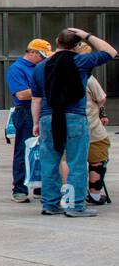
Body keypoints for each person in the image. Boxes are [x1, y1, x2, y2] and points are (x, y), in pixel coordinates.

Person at [31, 27, 119, 218]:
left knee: (50, 161)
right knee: (76, 161)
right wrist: (87, 36)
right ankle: (75, 205)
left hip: (48, 117)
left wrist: (36, 123)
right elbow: (111, 52)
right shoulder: (81, 61)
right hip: (75, 116)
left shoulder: (40, 67)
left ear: (57, 41)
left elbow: (36, 99)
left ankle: (50, 204)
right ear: (77, 44)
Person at [5, 39, 51, 202]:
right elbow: (21, 94)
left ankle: (40, 185)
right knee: (23, 149)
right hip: (25, 111)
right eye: (41, 56)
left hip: (43, 109)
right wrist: (46, 89)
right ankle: (19, 189)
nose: (44, 59)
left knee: (46, 149)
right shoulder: (17, 69)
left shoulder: (42, 67)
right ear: (31, 52)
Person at [78, 43, 111, 205]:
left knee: (66, 161)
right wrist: (101, 112)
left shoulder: (53, 72)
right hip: (90, 126)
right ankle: (95, 194)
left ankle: (68, 195)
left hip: (64, 125)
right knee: (98, 159)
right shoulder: (88, 78)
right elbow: (101, 98)